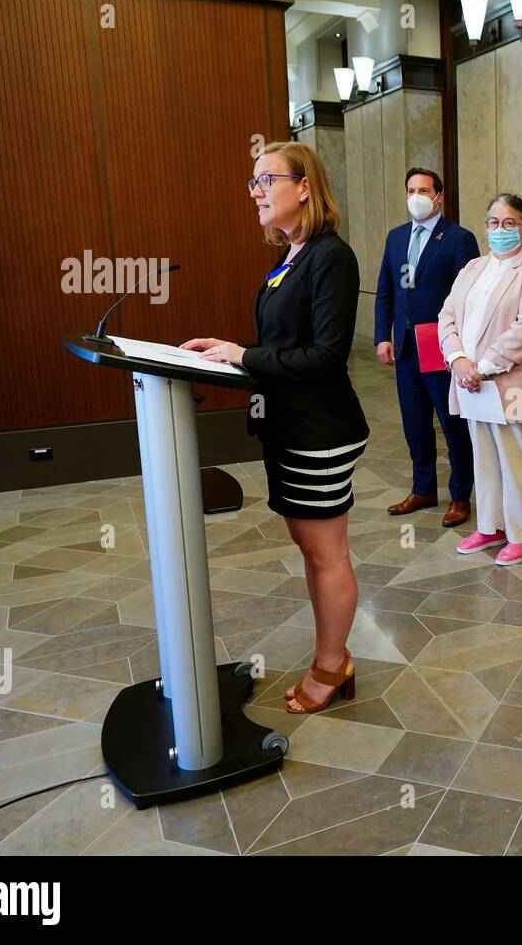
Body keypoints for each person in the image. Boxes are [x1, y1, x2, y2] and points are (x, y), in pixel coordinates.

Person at [181, 140, 368, 715]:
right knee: (310, 550)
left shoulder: (331, 256)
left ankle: (333, 666)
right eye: (253, 184)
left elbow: (325, 357)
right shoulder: (292, 258)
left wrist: (245, 355)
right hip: (289, 426)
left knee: (326, 553)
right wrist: (230, 350)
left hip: (320, 430)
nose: (257, 192)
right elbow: (284, 348)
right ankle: (332, 655)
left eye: (268, 180)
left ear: (304, 186)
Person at [437, 194, 522, 565]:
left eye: (508, 223)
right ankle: (490, 526)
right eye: (492, 222)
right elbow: (447, 316)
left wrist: (481, 367)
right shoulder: (472, 268)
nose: (499, 230)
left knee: (519, 460)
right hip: (470, 381)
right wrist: (457, 359)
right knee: (484, 457)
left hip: (511, 381)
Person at [375, 167, 480, 527]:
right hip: (405, 346)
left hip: (442, 345)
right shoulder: (395, 237)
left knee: (452, 425)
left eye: (423, 189)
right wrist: (382, 335)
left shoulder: (458, 239)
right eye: (410, 189)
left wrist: (462, 348)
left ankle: (461, 495)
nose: (416, 195)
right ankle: (423, 489)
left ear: (439, 196)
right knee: (415, 423)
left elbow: (469, 298)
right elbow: (386, 290)